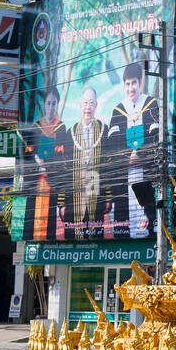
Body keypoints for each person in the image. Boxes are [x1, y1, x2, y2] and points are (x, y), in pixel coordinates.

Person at [107, 62, 159, 238]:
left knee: (148, 211)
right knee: (125, 214)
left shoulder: (151, 104)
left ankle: (150, 233)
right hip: (126, 172)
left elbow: (155, 135)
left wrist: (140, 154)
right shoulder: (118, 110)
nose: (131, 88)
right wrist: (128, 157)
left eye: (134, 83)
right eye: (127, 84)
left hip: (146, 170)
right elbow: (113, 142)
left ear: (140, 82)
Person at [22, 84, 67, 241]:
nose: (51, 107)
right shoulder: (36, 127)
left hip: (51, 180)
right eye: (48, 103)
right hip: (36, 180)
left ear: (57, 104)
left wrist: (46, 165)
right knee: (33, 213)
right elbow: (28, 152)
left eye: (54, 103)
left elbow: (61, 154)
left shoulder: (61, 127)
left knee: (50, 218)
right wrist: (37, 162)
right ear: (44, 104)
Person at [64, 86, 110, 239]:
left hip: (97, 191)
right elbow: (64, 169)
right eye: (85, 103)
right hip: (75, 193)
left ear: (96, 105)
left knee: (96, 235)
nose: (88, 107)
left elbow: (109, 167)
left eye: (91, 103)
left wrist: (108, 197)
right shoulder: (70, 132)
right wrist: (62, 202)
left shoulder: (104, 130)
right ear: (80, 105)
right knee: (73, 238)